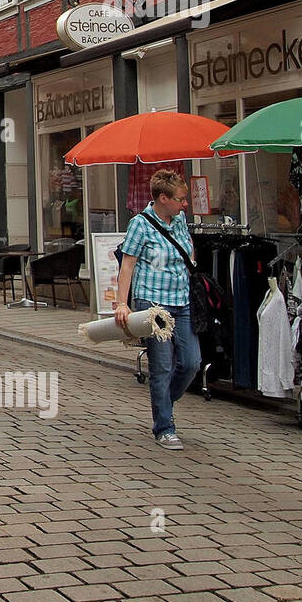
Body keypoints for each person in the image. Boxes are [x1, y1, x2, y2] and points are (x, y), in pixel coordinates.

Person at [115, 169, 199, 451]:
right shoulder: (140, 224)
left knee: (190, 362)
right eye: (180, 199)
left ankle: (166, 401)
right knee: (162, 366)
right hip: (153, 303)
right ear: (163, 198)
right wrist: (122, 303)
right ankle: (164, 426)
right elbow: (128, 264)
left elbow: (188, 252)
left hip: (183, 300)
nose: (184, 204)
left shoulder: (180, 220)